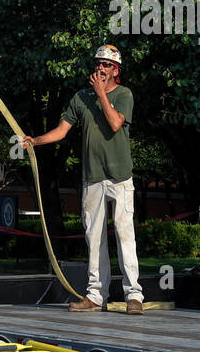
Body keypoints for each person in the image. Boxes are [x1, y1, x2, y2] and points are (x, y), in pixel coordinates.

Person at [22, 45, 143, 315]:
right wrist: (36, 141)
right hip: (92, 178)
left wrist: (100, 93)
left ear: (116, 71)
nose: (100, 68)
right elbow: (62, 131)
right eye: (98, 63)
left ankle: (133, 296)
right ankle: (95, 296)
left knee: (125, 236)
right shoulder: (80, 98)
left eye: (107, 65)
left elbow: (114, 124)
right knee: (94, 238)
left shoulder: (124, 95)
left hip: (120, 177)